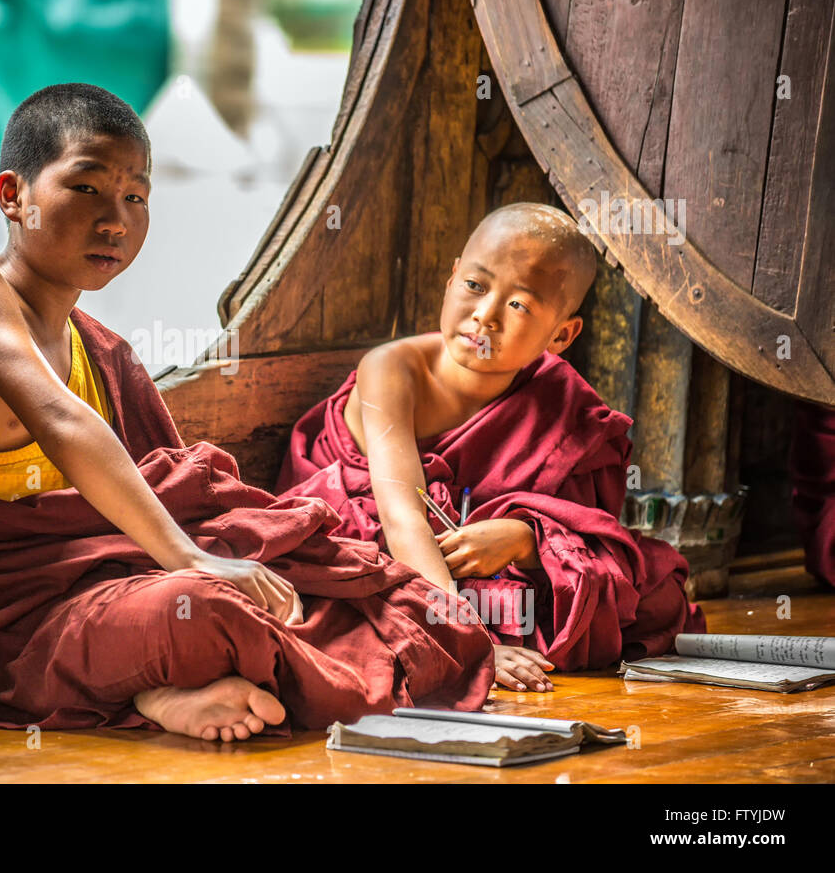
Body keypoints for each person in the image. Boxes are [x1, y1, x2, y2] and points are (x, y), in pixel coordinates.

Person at [0, 84, 494, 742]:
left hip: (115, 577)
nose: (116, 221)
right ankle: (157, 690)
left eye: (136, 198)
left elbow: (179, 494)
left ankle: (159, 689)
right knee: (206, 610)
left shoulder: (99, 348)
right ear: (12, 196)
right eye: (88, 188)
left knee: (399, 599)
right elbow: (63, 422)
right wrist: (193, 559)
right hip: (1, 611)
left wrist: (237, 549)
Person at [276, 203, 705, 694]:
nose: (485, 316)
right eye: (475, 286)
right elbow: (402, 518)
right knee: (345, 600)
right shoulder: (392, 369)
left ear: (561, 334)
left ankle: (475, 623)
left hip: (477, 566)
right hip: (391, 550)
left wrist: (527, 540)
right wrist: (469, 640)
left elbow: (583, 529)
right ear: (452, 277)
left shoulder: (559, 397)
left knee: (655, 593)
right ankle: (458, 632)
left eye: (519, 305)